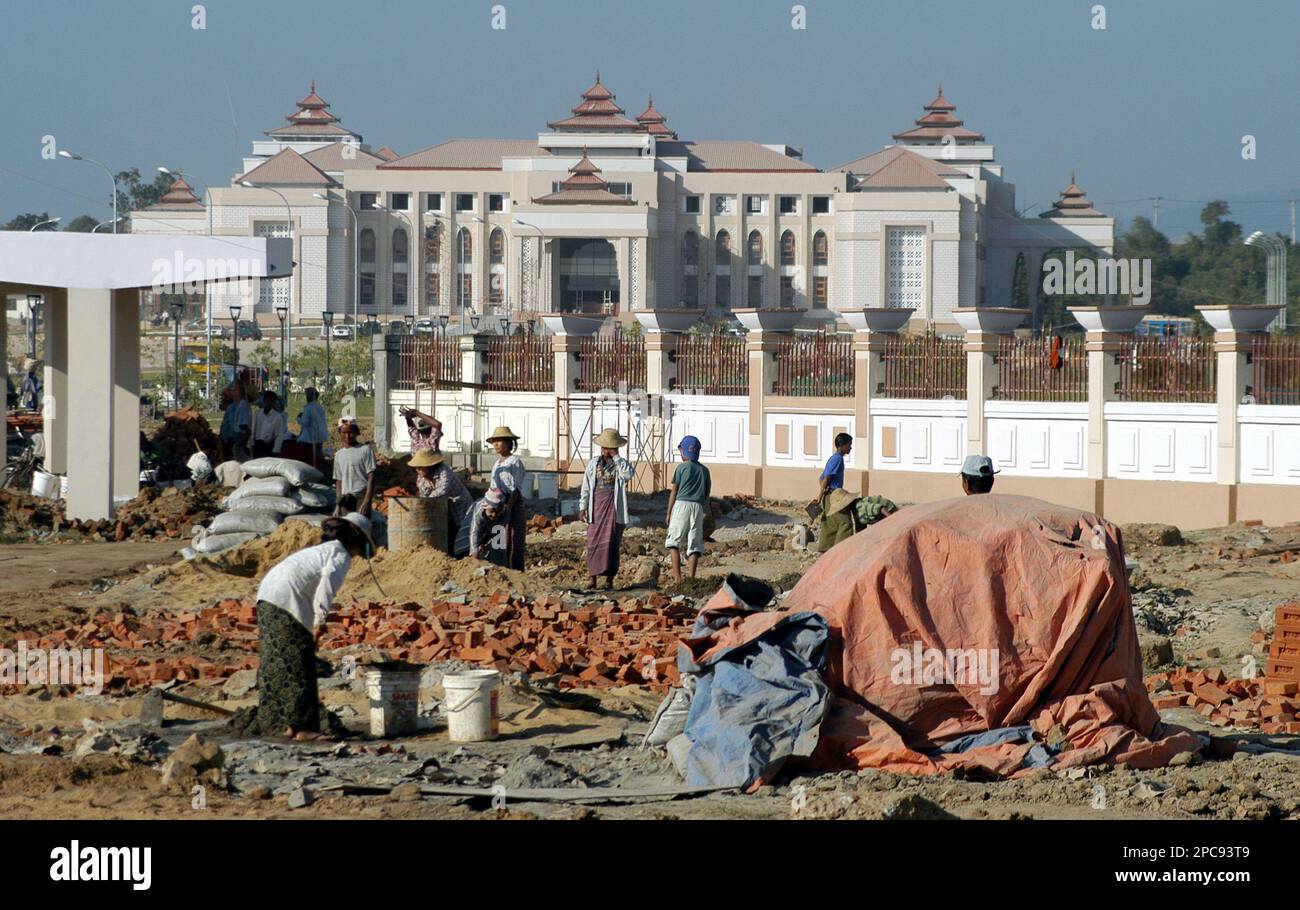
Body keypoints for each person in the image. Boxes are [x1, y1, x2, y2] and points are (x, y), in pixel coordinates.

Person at [251, 513, 374, 737]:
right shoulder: (339, 555)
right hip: (286, 599)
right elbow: (327, 586)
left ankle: (281, 723)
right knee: (300, 663)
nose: (358, 554)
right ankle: (303, 728)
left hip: (267, 595)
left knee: (277, 661)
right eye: (362, 547)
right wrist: (320, 620)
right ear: (356, 540)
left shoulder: (321, 551)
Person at [580, 428, 635, 590]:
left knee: (612, 542)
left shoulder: (621, 464)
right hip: (596, 506)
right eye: (604, 447)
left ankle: (609, 580)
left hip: (613, 508)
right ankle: (592, 578)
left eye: (610, 448)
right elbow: (586, 486)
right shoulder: (593, 463)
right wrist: (583, 506)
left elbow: (628, 475)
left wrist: (616, 457)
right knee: (593, 541)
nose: (606, 451)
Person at [468, 426, 527, 569]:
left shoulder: (514, 462)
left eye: (499, 441)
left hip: (513, 502)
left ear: (508, 443)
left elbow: (516, 489)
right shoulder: (496, 464)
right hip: (497, 503)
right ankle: (502, 567)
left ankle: (517, 571)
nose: (495, 445)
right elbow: (493, 487)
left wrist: (508, 508)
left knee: (514, 539)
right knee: (499, 539)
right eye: (494, 442)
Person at [410, 448, 472, 557]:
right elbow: (424, 497)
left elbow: (441, 492)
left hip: (460, 509)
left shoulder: (444, 472)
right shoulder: (422, 480)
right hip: (444, 512)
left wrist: (423, 502)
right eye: (417, 467)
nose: (417, 469)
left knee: (461, 540)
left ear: (429, 465)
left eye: (420, 467)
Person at [665, 435, 711, 583]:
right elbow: (706, 494)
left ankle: (677, 578)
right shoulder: (705, 471)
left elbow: (674, 491)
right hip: (698, 507)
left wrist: (669, 511)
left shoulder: (681, 468)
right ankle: (691, 578)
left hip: (681, 505)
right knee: (695, 543)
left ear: (683, 451)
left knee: (673, 542)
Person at [813, 433, 854, 553]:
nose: (850, 448)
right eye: (849, 445)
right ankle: (842, 551)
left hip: (829, 495)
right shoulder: (837, 459)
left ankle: (826, 550)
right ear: (842, 446)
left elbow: (821, 478)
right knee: (844, 522)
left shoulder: (833, 458)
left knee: (830, 523)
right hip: (834, 496)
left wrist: (824, 489)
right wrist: (820, 496)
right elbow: (826, 478)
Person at [333, 419, 377, 516]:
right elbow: (339, 480)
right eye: (344, 432)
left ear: (357, 432)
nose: (347, 436)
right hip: (345, 499)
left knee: (361, 527)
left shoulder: (365, 450)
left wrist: (367, 500)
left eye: (351, 432)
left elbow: (371, 475)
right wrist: (338, 504)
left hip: (361, 497)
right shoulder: (338, 455)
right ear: (340, 433)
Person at [296, 387, 328, 468]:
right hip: (319, 437)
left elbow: (305, 422)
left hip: (309, 439)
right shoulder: (320, 407)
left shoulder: (308, 407)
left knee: (307, 461)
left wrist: (298, 418)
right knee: (317, 458)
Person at [250, 389, 288, 459]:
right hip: (257, 446)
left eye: (272, 401)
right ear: (264, 401)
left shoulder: (277, 417)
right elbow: (252, 430)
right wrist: (251, 443)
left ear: (274, 402)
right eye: (267, 400)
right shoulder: (257, 414)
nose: (269, 403)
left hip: (269, 446)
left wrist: (276, 449)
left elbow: (279, 435)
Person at [218, 384, 251, 463]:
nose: (222, 399)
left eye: (224, 397)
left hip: (233, 439)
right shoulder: (232, 407)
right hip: (229, 439)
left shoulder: (237, 407)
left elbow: (238, 426)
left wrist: (231, 439)